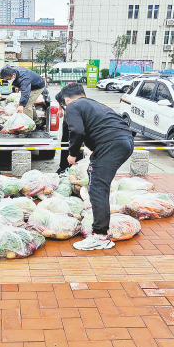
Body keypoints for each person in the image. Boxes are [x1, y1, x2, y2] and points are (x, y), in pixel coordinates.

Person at [61, 83, 134, 251]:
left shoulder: (72, 105)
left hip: (112, 144)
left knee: (97, 188)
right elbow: (101, 126)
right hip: (125, 141)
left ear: (66, 100)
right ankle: (101, 233)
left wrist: (72, 154)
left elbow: (77, 131)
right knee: (97, 182)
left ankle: (101, 236)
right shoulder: (94, 103)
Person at [55, 90, 83, 174]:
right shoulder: (62, 97)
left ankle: (76, 168)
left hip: (77, 123)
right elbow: (59, 101)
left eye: (63, 104)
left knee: (77, 144)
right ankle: (63, 167)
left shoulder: (79, 103)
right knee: (64, 143)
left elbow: (79, 132)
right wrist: (60, 109)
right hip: (67, 121)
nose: (63, 105)